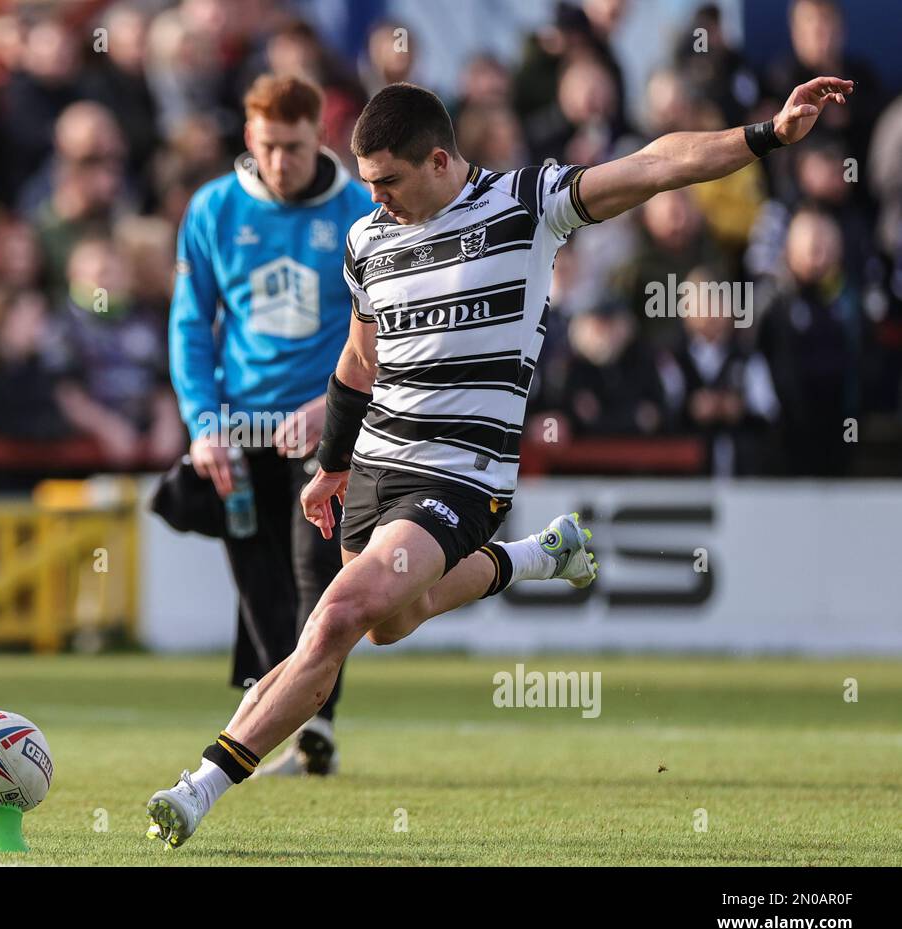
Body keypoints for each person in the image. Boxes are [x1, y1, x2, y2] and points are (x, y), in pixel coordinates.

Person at [146, 74, 855, 847]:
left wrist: (768, 136)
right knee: (391, 622)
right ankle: (538, 556)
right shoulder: (368, 239)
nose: (374, 199)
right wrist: (332, 463)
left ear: (442, 161)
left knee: (336, 619)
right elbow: (357, 360)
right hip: (377, 460)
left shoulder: (527, 204)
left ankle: (199, 787)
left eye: (388, 181)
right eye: (366, 183)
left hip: (460, 475)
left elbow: (656, 164)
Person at [167, 73, 374, 776]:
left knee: (319, 576)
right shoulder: (214, 209)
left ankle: (318, 725)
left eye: (292, 145)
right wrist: (203, 422)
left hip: (327, 424)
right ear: (248, 139)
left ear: (318, 134)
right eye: (266, 147)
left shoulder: (358, 208)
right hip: (241, 425)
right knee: (259, 582)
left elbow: (378, 327)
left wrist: (334, 404)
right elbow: (191, 323)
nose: (279, 162)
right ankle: (285, 718)